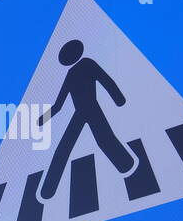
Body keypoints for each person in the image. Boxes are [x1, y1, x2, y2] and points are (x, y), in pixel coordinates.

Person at [36, 39, 136, 201]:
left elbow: (105, 80)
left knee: (104, 140)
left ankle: (127, 166)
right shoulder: (71, 74)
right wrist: (42, 120)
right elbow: (59, 104)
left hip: (92, 108)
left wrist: (119, 99)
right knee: (64, 148)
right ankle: (48, 190)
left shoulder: (87, 64)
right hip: (80, 113)